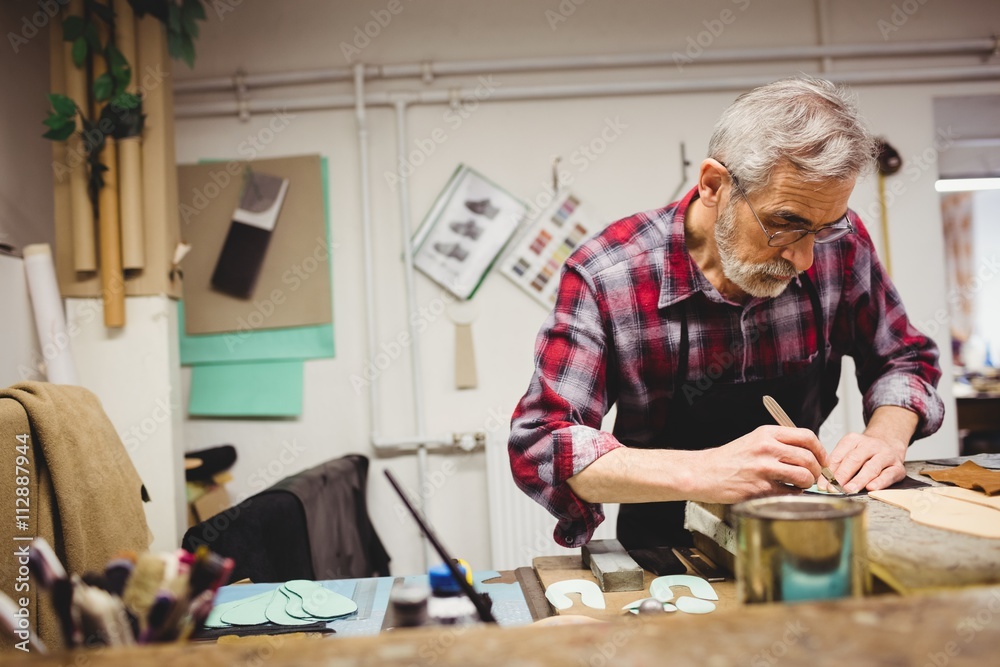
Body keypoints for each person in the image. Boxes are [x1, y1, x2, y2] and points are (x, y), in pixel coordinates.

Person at [508, 76, 944, 550]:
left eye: (822, 230)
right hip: (667, 552)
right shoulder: (609, 276)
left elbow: (904, 358)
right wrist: (706, 470)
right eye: (784, 224)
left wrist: (886, 437)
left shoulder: (841, 245)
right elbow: (542, 443)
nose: (804, 260)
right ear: (714, 185)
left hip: (801, 534)